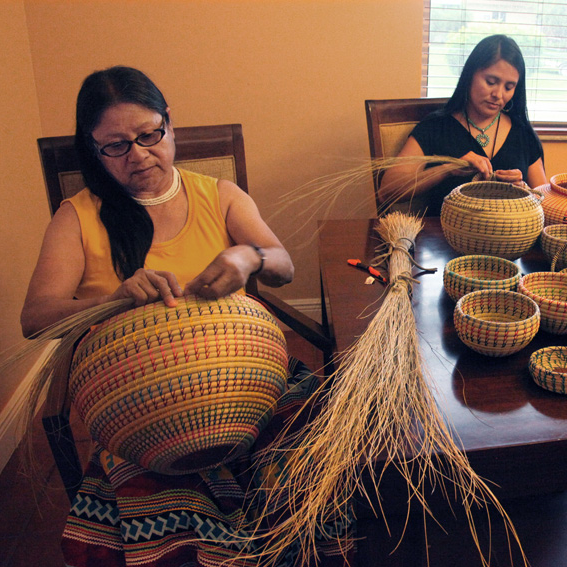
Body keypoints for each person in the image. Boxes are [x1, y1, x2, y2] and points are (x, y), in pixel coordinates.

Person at [21, 66, 346, 567]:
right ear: (93, 147)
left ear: (170, 124)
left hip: (244, 382)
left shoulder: (218, 195)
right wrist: (116, 300)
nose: (139, 154)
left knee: (318, 469)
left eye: (150, 134)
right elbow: (36, 317)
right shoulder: (78, 216)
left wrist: (248, 257)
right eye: (116, 145)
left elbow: (283, 265)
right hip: (140, 405)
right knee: (186, 525)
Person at [379, 34, 547, 216]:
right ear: (470, 76)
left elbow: (545, 203)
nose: (498, 94)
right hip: (445, 239)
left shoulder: (523, 133)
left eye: (509, 87)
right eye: (491, 82)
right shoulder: (436, 127)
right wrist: (447, 169)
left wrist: (524, 189)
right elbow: (387, 191)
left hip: (510, 240)